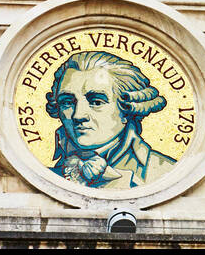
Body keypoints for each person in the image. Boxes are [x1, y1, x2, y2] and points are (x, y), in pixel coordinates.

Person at [44, 50, 177, 189]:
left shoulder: (166, 172)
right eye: (67, 102)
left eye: (96, 102)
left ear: (126, 109)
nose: (78, 115)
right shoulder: (47, 174)